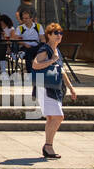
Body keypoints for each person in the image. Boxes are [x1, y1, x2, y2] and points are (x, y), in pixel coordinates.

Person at [31, 22, 76, 159]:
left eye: (60, 33)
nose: (59, 36)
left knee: (51, 117)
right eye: (55, 33)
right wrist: (51, 60)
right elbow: (35, 65)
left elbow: (62, 71)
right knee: (58, 117)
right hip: (45, 87)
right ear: (49, 35)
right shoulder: (45, 49)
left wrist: (71, 88)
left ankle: (48, 147)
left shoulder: (57, 51)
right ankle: (48, 146)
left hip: (55, 88)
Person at [16, 9, 44, 73]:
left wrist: (42, 47)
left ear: (31, 18)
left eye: (26, 18)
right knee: (28, 52)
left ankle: (35, 73)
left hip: (36, 47)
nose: (24, 20)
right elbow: (16, 39)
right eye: (23, 18)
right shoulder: (20, 27)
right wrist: (24, 44)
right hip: (25, 47)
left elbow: (43, 39)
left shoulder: (38, 26)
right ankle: (30, 73)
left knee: (39, 53)